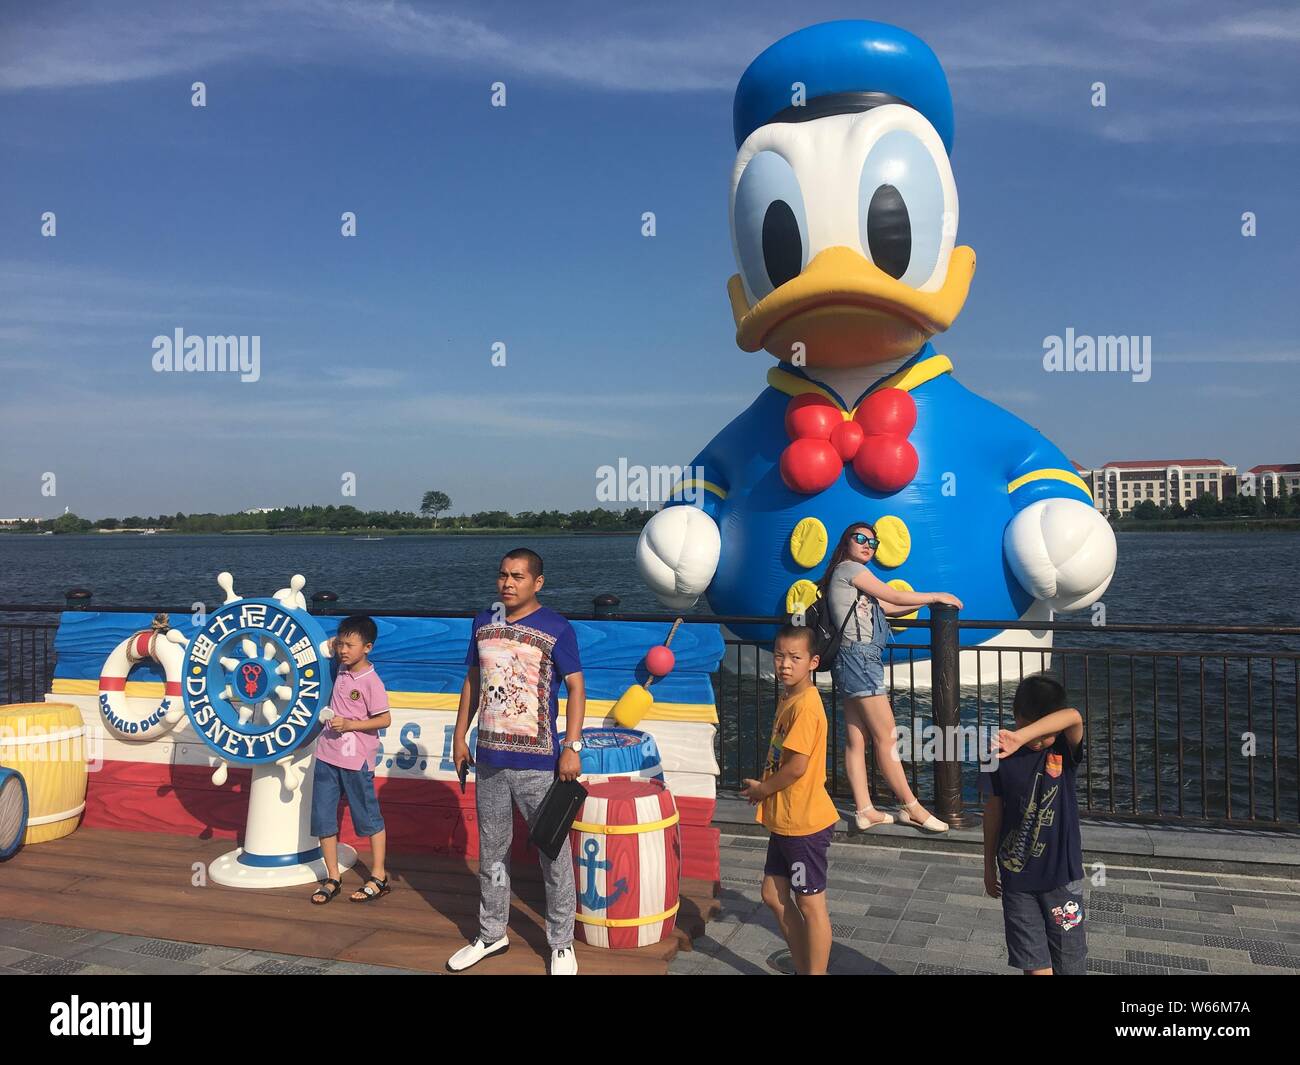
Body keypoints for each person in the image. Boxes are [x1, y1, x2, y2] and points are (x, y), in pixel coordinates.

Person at [447, 548, 586, 975]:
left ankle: (561, 942)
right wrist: (459, 734)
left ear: (537, 582)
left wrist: (571, 746)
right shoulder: (483, 622)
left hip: (540, 762)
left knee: (554, 852)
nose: (508, 584)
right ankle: (492, 933)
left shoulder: (557, 628)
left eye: (518, 577)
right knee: (493, 851)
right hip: (488, 756)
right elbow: (474, 681)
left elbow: (578, 689)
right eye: (503, 575)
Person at [821, 521, 962, 832]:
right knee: (887, 737)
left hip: (849, 659)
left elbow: (885, 605)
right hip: (860, 659)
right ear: (846, 542)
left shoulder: (850, 578)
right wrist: (936, 596)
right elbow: (894, 596)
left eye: (873, 542)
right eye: (860, 539)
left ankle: (865, 810)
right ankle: (912, 807)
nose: (868, 545)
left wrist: (926, 603)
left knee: (857, 739)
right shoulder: (849, 568)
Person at [741, 624, 839, 975]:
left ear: (813, 662)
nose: (785, 664)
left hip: (802, 824)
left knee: (811, 904)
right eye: (780, 655)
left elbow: (796, 768)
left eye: (795, 658)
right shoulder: (790, 698)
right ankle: (804, 965)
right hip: (785, 820)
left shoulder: (807, 707)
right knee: (772, 892)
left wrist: (762, 790)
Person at [983, 673, 1088, 975]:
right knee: (1034, 967)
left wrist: (1023, 736)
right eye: (1030, 728)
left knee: (1070, 965)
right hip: (1017, 881)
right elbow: (993, 812)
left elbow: (1073, 716)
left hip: (1061, 878)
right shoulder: (997, 754)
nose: (1041, 740)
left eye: (1046, 731)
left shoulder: (1063, 751)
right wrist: (988, 865)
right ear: (1016, 716)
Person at [310, 615, 391, 904]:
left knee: (368, 817)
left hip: (356, 760)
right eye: (341, 644)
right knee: (323, 818)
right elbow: (330, 645)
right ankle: (332, 876)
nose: (343, 650)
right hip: (326, 755)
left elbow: (385, 720)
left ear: (367, 647)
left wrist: (351, 724)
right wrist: (337, 642)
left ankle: (379, 876)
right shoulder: (341, 668)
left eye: (350, 645)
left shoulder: (372, 682)